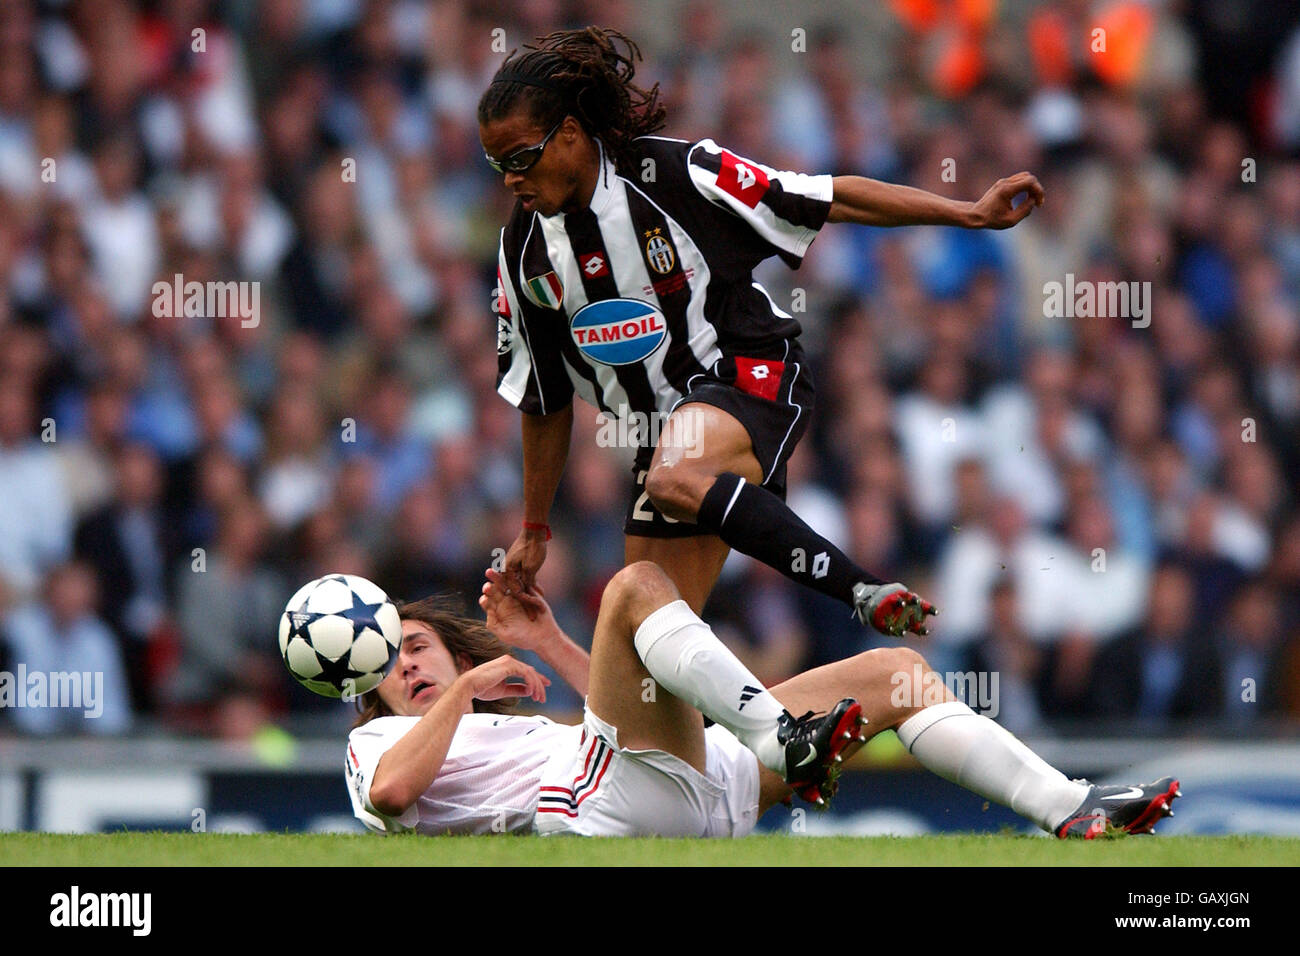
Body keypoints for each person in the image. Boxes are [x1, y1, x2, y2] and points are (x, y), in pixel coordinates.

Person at [481, 27, 1045, 635]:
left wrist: (966, 212)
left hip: (750, 376)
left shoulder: (677, 173)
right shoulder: (521, 253)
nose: (510, 179)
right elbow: (544, 403)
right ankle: (791, 726)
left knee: (676, 474)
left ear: (568, 135)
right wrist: (535, 528)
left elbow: (827, 199)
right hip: (663, 441)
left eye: (518, 159)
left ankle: (857, 587)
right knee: (641, 640)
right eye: (495, 164)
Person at [344, 561, 1179, 838]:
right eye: (393, 660)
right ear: (368, 686)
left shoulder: (498, 730)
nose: (409, 666)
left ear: (451, 650)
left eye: (421, 647)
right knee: (635, 585)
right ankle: (784, 739)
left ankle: (1073, 811)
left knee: (895, 675)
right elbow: (390, 797)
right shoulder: (373, 746)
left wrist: (544, 646)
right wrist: (465, 686)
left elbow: (612, 716)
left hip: (672, 786)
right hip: (609, 809)